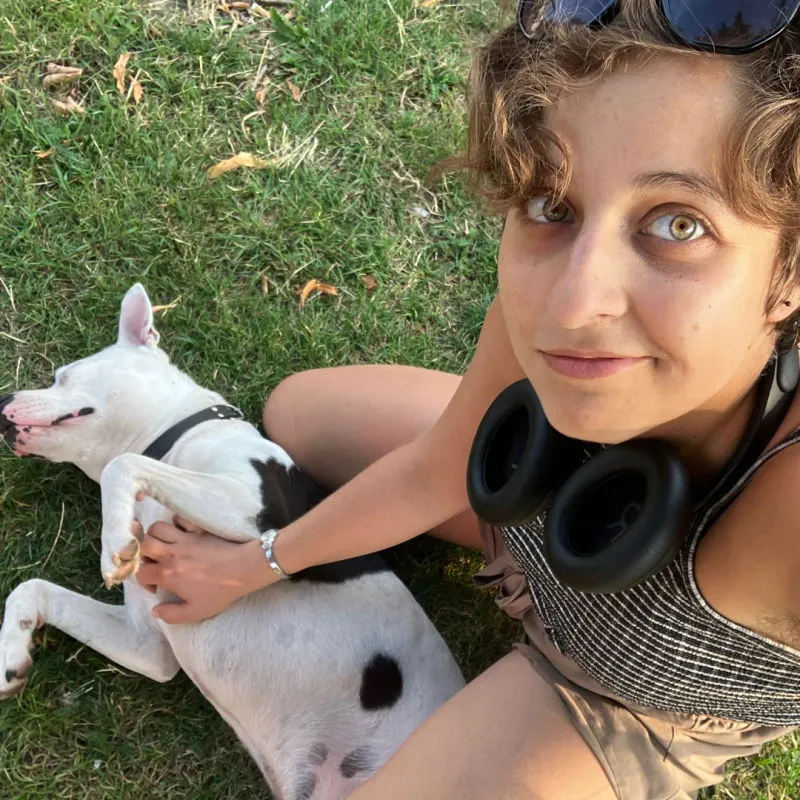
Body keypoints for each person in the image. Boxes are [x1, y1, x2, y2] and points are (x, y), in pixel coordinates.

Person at [134, 2, 800, 797]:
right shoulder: (537, 320)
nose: (572, 303)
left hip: (625, 698)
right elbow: (432, 472)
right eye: (552, 206)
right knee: (300, 413)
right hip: (531, 515)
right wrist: (255, 565)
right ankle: (518, 545)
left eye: (679, 224)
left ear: (789, 272)